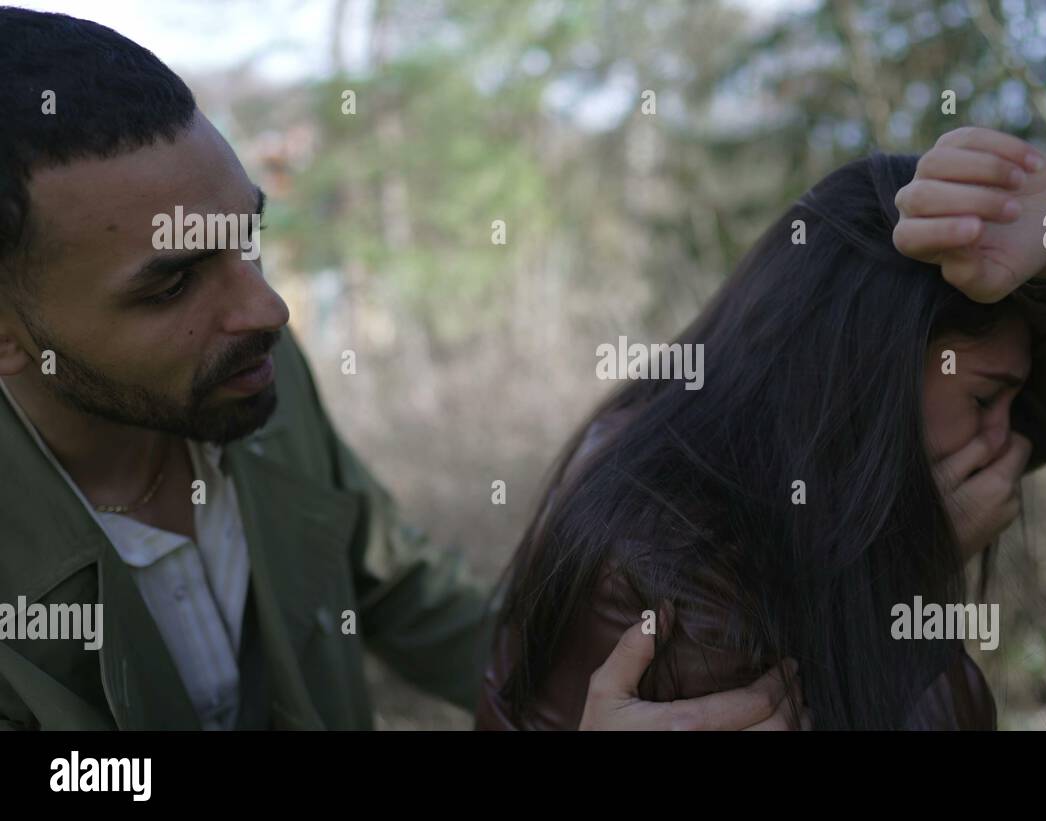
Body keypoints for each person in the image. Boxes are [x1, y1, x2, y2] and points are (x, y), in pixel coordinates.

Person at [0, 7, 804, 731]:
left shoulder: (243, 374)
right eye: (173, 281)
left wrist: (572, 696)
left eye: (247, 236)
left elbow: (393, 582)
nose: (268, 310)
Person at [476, 128, 1046, 730]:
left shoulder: (694, 448)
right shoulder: (688, 579)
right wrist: (913, 562)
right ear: (872, 377)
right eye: (985, 400)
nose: (1010, 438)